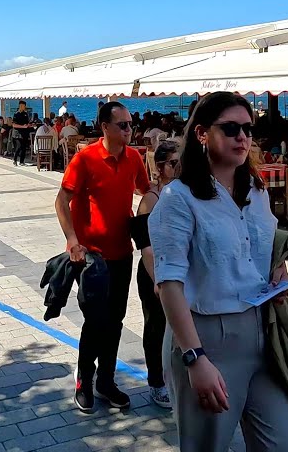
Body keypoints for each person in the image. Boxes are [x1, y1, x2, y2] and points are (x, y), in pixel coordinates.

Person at [149, 91, 288, 452]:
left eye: (249, 128)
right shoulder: (179, 199)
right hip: (206, 337)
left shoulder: (256, 191)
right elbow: (168, 283)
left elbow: (261, 243)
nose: (243, 137)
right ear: (202, 134)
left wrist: (277, 268)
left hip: (262, 331)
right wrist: (194, 358)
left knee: (286, 444)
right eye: (231, 128)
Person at [54, 101, 150, 412]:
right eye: (122, 125)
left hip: (122, 253)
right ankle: (84, 379)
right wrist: (72, 241)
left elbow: (147, 192)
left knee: (116, 320)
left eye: (130, 124)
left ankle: (106, 381)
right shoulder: (85, 159)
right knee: (96, 321)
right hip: (91, 259)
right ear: (105, 127)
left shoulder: (134, 158)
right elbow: (61, 200)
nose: (129, 129)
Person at [131, 139, 181, 409]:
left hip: (179, 271)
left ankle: (175, 378)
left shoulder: (183, 193)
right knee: (157, 327)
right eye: (174, 163)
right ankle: (156, 383)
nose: (179, 167)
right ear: (160, 167)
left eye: (181, 162)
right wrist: (157, 280)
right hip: (155, 272)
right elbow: (146, 247)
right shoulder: (151, 200)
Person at [11, 101, 33, 167]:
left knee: (24, 147)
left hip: (24, 133)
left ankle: (22, 161)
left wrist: (30, 125)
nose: (22, 107)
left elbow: (27, 123)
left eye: (23, 106)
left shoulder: (25, 114)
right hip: (17, 133)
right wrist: (22, 126)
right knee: (18, 146)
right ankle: (15, 160)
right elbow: (14, 125)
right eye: (21, 106)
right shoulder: (16, 114)